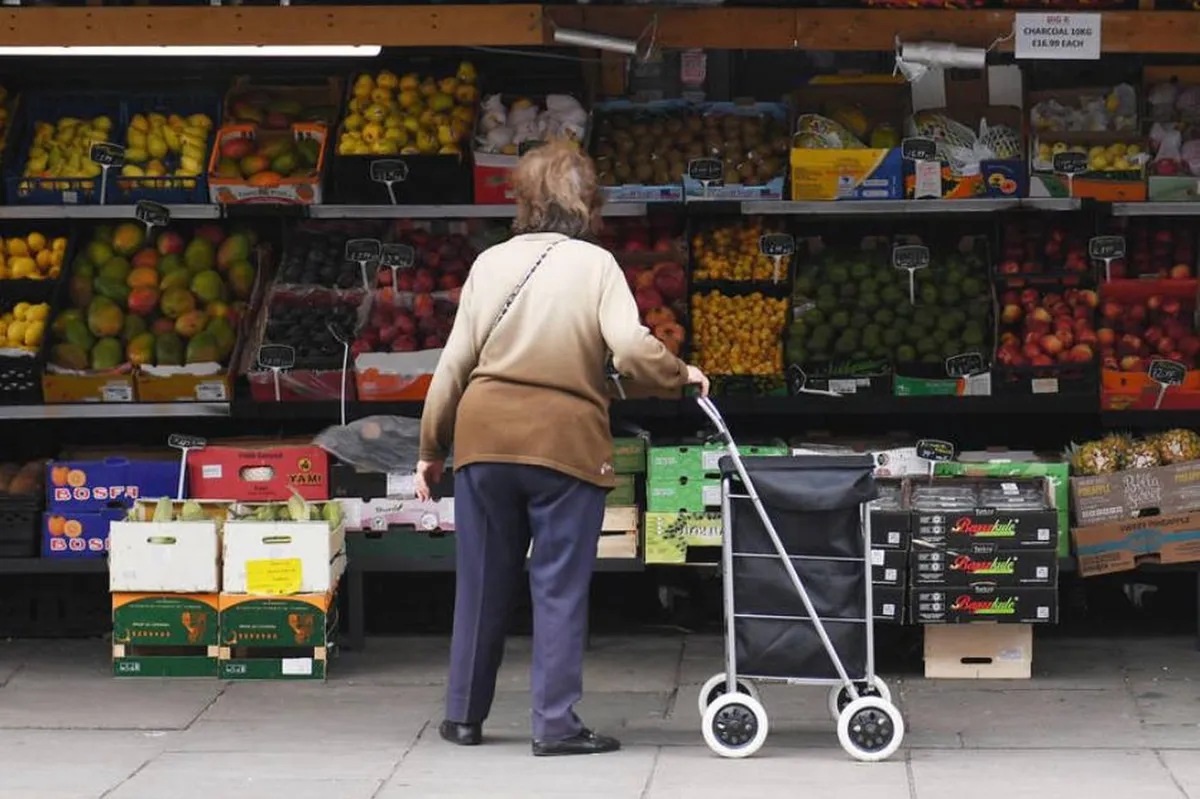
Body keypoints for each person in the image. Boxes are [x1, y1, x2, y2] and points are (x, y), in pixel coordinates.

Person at [415, 141, 708, 757]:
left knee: (481, 584)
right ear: (588, 201)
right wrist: (679, 373)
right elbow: (629, 349)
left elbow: (453, 364)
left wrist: (430, 447)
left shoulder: (490, 262)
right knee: (557, 587)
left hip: (484, 439)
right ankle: (554, 726)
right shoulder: (596, 265)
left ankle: (463, 717)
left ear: (523, 198)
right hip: (565, 444)